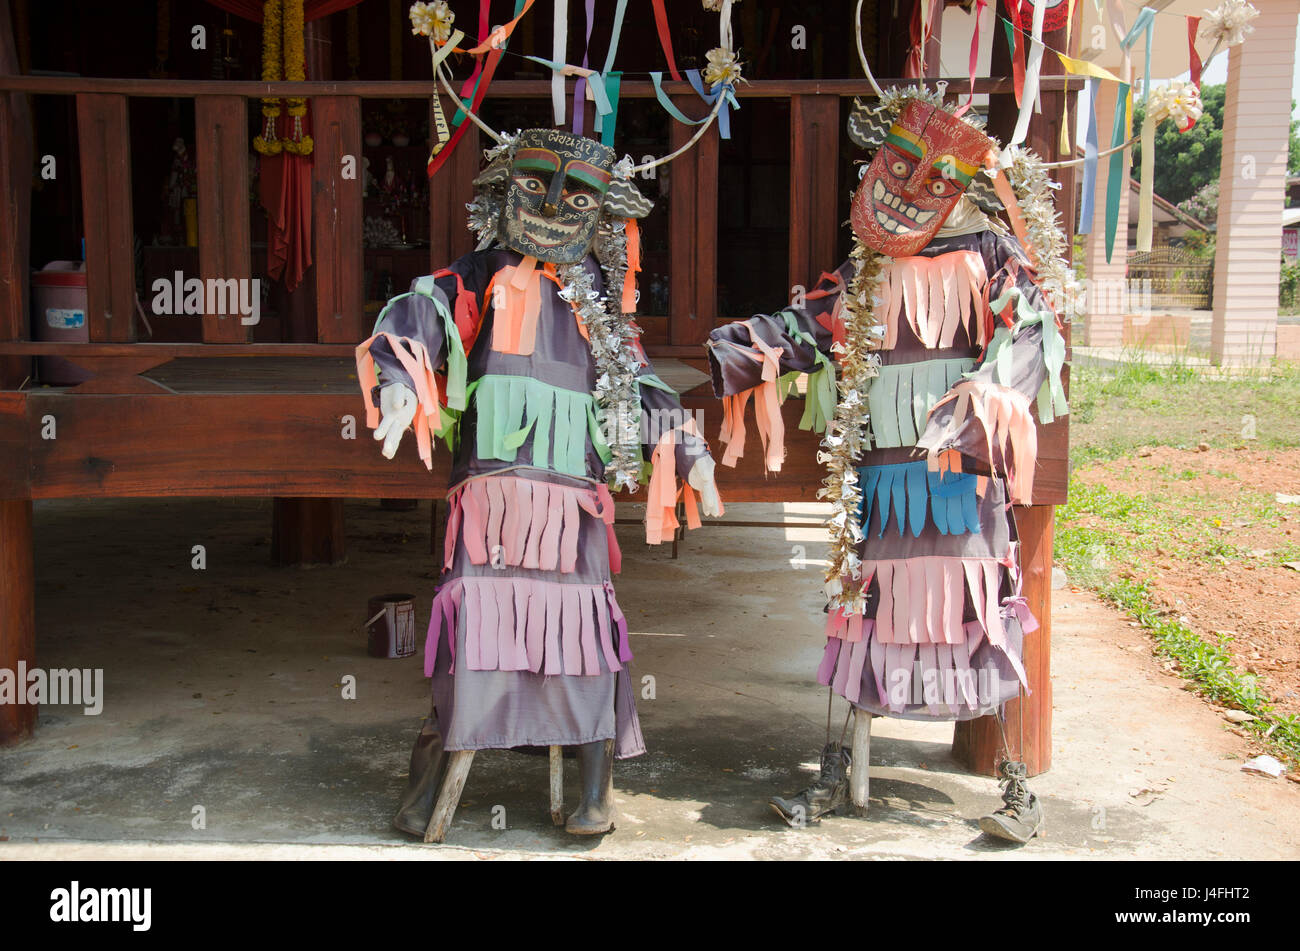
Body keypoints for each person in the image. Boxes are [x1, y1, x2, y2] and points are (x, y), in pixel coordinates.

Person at [705, 92, 1069, 845]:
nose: (912, 187)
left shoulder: (994, 256)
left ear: (965, 184)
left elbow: (1033, 330)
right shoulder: (865, 268)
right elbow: (811, 323)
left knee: (980, 605)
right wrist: (743, 346)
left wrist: (997, 388)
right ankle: (839, 766)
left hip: (962, 475)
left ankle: (1013, 782)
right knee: (870, 607)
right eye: (900, 166)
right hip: (880, 480)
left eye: (936, 176)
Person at [356, 128, 722, 838]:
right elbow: (420, 314)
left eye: (576, 193)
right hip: (489, 499)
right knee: (472, 639)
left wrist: (687, 446)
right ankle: (429, 786)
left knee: (584, 636)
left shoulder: (603, 309)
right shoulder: (477, 273)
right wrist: (401, 378)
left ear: (602, 214)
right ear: (502, 190)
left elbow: (639, 383)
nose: (554, 202)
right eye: (534, 184)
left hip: (571, 506)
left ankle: (594, 791)